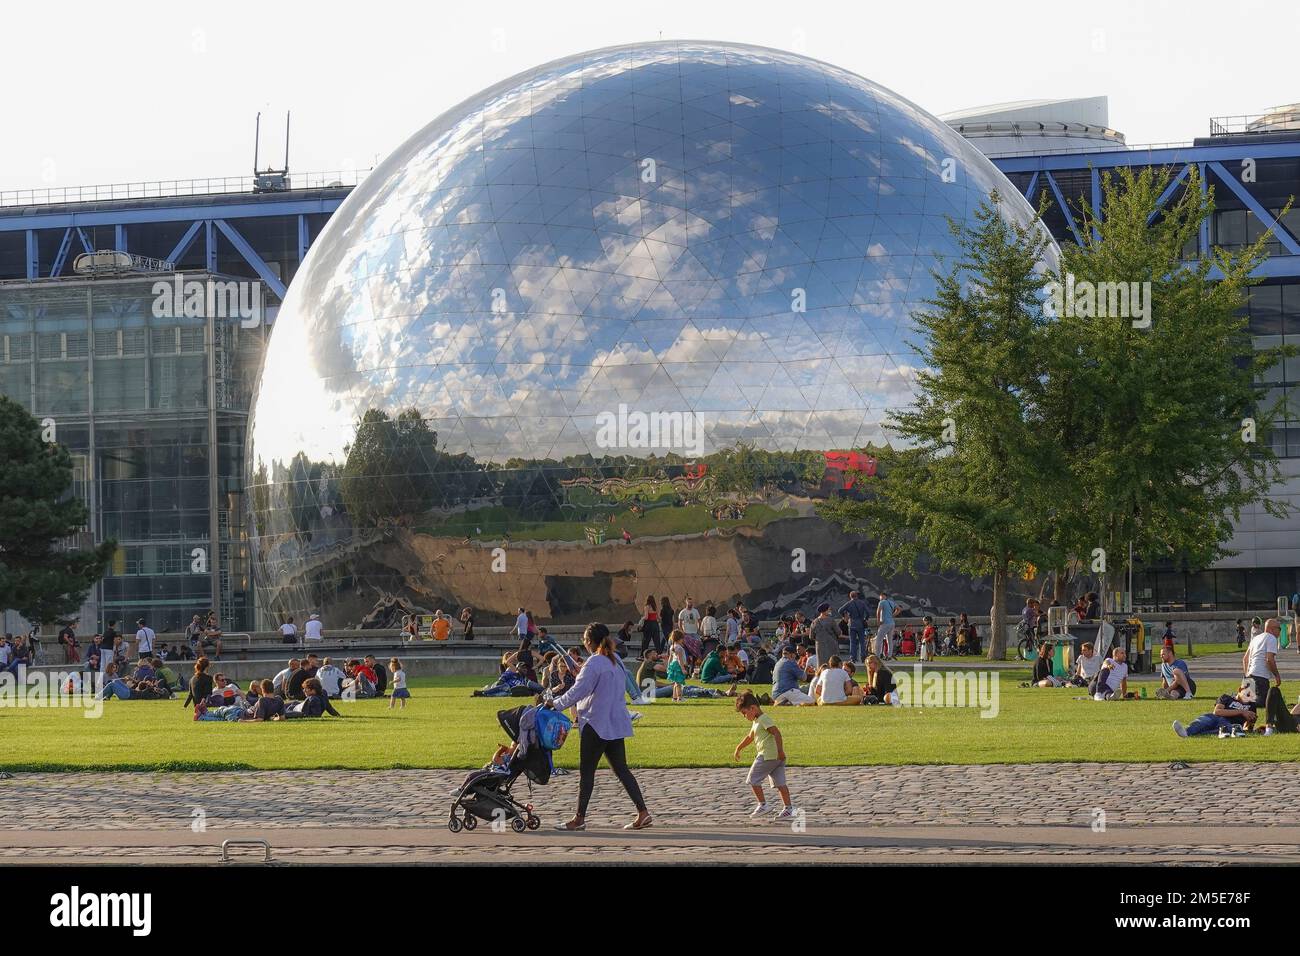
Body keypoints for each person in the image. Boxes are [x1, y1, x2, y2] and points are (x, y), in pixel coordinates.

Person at [551, 622, 652, 832]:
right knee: (622, 769)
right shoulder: (615, 661)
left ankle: (579, 818)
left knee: (587, 772)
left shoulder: (594, 663)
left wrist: (556, 704)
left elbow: (578, 691)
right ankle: (643, 812)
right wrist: (582, 672)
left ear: (589, 642)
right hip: (615, 723)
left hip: (595, 723)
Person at [733, 691, 798, 819]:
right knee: (780, 783)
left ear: (753, 708)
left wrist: (780, 750)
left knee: (753, 779)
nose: (744, 716)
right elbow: (750, 737)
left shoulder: (764, 719)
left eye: (744, 713)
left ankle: (763, 804)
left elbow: (776, 733)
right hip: (775, 758)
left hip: (767, 755)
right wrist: (738, 748)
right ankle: (788, 808)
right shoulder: (757, 721)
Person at [1172, 683, 1257, 737]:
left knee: (1227, 730)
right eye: (1247, 694)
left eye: (1251, 695)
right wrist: (1242, 712)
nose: (1248, 697)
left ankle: (1189, 734)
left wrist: (1250, 724)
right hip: (1215, 717)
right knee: (1204, 720)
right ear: (1240, 690)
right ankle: (1186, 731)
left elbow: (1248, 727)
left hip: (1231, 725)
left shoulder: (1251, 705)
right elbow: (1217, 711)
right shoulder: (1226, 697)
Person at [1243, 617, 1281, 709]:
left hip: (1249, 675)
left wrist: (1247, 676)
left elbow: (1245, 659)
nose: (1280, 631)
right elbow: (1269, 659)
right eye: (1279, 629)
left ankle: (1238, 700)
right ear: (1271, 629)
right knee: (1263, 703)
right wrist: (1277, 675)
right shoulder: (1271, 638)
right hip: (1261, 677)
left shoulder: (1256, 639)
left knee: (1248, 703)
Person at [839, 591, 871, 664]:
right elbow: (868, 612)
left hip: (852, 624)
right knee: (862, 642)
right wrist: (866, 618)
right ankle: (863, 657)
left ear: (850, 596)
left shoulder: (849, 603)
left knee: (852, 642)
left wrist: (845, 615)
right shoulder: (862, 603)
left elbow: (840, 610)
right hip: (860, 624)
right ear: (857, 596)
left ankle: (853, 658)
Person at [665, 629, 690, 701]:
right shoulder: (679, 647)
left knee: (675, 683)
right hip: (678, 666)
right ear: (679, 639)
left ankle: (674, 697)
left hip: (673, 665)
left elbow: (670, 657)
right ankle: (680, 697)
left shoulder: (672, 647)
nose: (683, 640)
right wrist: (683, 668)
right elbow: (679, 659)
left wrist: (668, 666)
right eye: (682, 638)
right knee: (679, 683)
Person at [874, 591, 897, 659]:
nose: (880, 598)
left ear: (883, 596)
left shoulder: (882, 602)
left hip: (885, 623)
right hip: (892, 623)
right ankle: (889, 656)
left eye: (880, 596)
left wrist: (878, 621)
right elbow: (899, 609)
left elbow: (878, 611)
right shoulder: (891, 602)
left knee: (879, 639)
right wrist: (892, 615)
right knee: (889, 640)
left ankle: (877, 655)